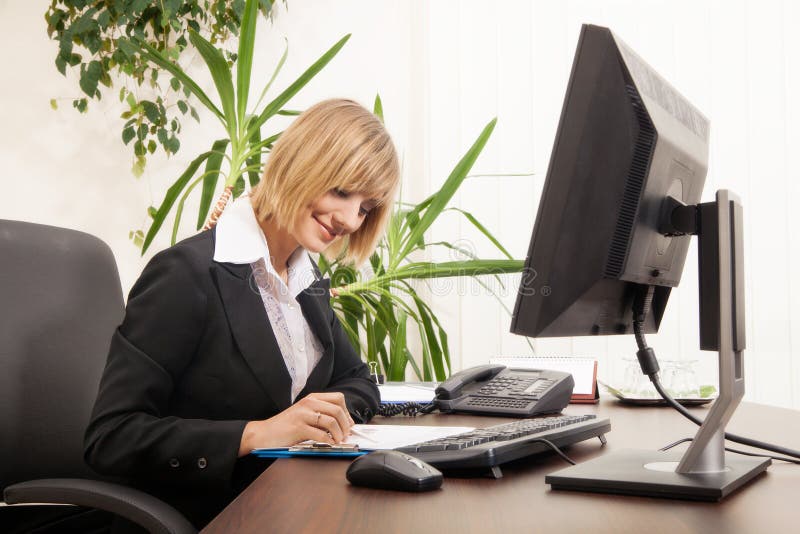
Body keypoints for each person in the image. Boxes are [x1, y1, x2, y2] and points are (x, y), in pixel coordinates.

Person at [84, 98, 400, 529]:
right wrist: (258, 434)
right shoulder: (188, 274)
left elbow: (360, 381)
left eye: (365, 208)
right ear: (300, 163)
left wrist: (313, 415)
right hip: (213, 514)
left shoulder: (305, 281)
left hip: (293, 503)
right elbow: (112, 437)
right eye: (341, 191)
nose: (349, 218)